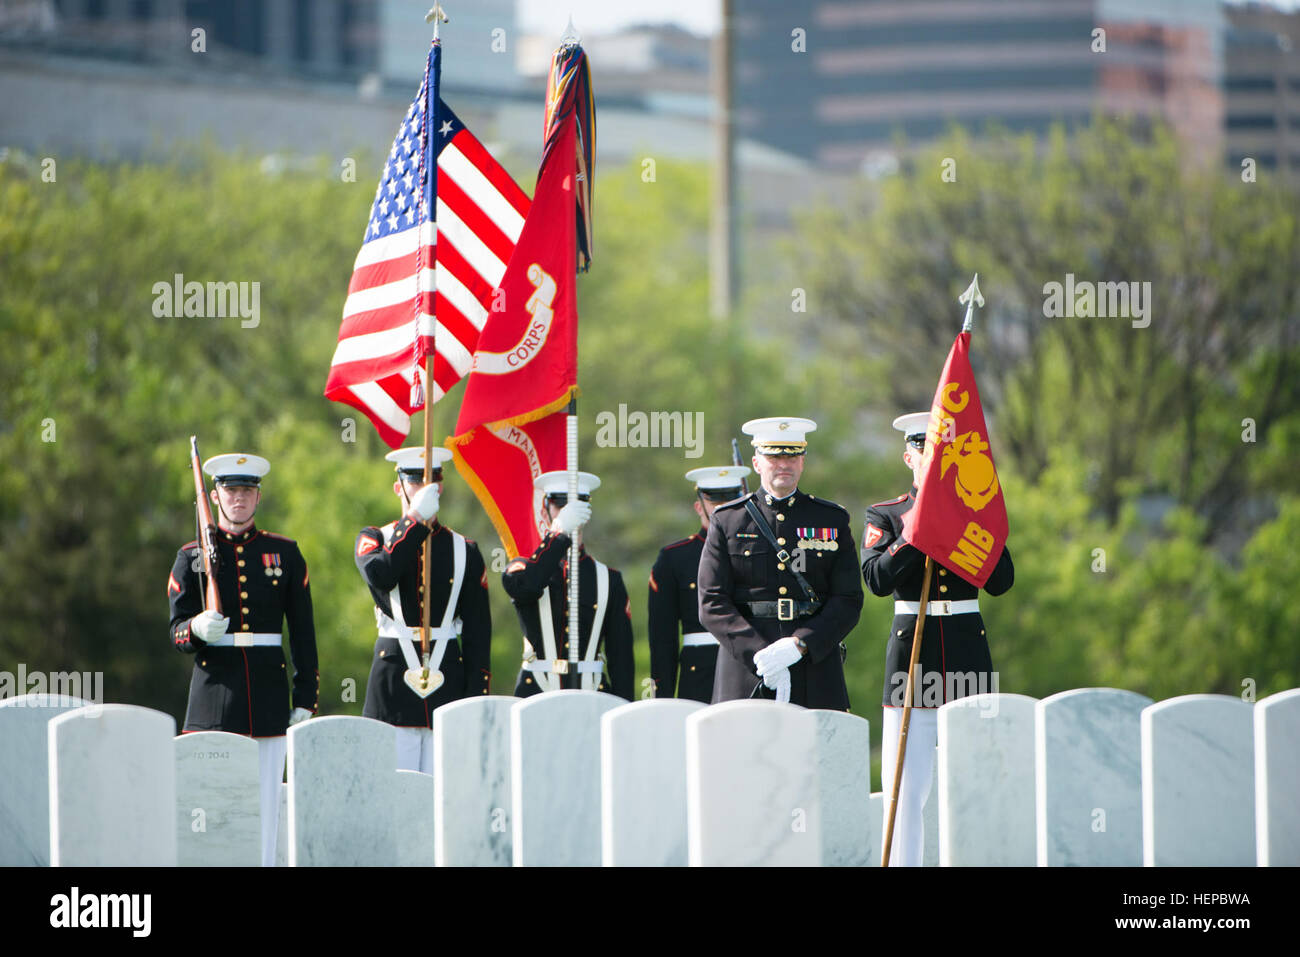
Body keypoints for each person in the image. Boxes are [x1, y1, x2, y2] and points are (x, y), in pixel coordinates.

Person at [862, 411, 1015, 867]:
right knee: (904, 789)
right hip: (911, 660)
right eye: (924, 450)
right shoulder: (887, 515)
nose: (931, 459)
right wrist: (918, 529)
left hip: (967, 655)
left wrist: (970, 519)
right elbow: (876, 579)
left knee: (974, 781)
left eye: (940, 451)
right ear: (909, 456)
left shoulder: (972, 512)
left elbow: (1002, 581)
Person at [168, 452, 318, 867]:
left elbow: (303, 632)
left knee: (266, 811)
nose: (239, 498)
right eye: (231, 490)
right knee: (209, 809)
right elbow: (176, 630)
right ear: (214, 496)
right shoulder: (192, 555)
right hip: (214, 696)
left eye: (247, 491)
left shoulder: (284, 554)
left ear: (258, 496)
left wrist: (306, 694)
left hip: (268, 697)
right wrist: (197, 629)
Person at [697, 417, 862, 708]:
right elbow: (711, 602)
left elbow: (847, 599)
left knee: (817, 752)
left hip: (814, 666)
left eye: (793, 455)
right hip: (747, 670)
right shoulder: (727, 520)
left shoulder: (831, 520)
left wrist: (801, 644)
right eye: (774, 455)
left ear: (802, 462)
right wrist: (760, 654)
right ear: (757, 463)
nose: (784, 464)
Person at [355, 446, 492, 773]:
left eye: (431, 481)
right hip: (392, 686)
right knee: (391, 791)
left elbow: (477, 634)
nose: (424, 489)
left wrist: (475, 700)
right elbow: (381, 575)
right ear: (398, 487)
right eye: (414, 482)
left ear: (441, 487)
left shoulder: (466, 550)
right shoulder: (375, 538)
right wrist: (413, 520)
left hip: (447, 684)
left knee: (443, 794)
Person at [503, 471, 634, 700]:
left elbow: (621, 657)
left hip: (592, 694)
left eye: (575, 506)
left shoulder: (608, 578)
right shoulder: (521, 568)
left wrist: (623, 710)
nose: (567, 512)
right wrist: (558, 532)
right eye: (559, 505)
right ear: (546, 509)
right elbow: (527, 587)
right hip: (537, 692)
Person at [648, 466, 750, 702]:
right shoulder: (674, 558)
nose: (723, 508)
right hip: (699, 675)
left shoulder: (757, 549)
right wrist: (661, 698)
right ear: (699, 507)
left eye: (731, 500)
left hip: (748, 667)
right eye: (714, 502)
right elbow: (663, 639)